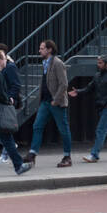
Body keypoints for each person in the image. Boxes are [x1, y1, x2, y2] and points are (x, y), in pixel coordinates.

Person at [70, 55, 107, 162]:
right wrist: (78, 91)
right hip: (101, 108)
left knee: (100, 130)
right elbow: (89, 88)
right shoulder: (97, 76)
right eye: (98, 63)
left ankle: (94, 155)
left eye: (101, 63)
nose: (98, 65)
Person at [24, 39, 72, 167]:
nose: (39, 51)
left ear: (49, 49)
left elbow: (64, 84)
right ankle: (32, 154)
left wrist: (56, 100)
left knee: (63, 130)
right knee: (37, 126)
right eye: (40, 48)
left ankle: (67, 157)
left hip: (56, 103)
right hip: (45, 102)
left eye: (42, 48)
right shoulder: (45, 63)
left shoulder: (57, 63)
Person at [0, 43, 24, 165]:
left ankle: (6, 156)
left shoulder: (10, 67)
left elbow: (16, 85)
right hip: (2, 102)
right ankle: (8, 153)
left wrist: (10, 98)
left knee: (4, 128)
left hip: (7, 103)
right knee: (3, 129)